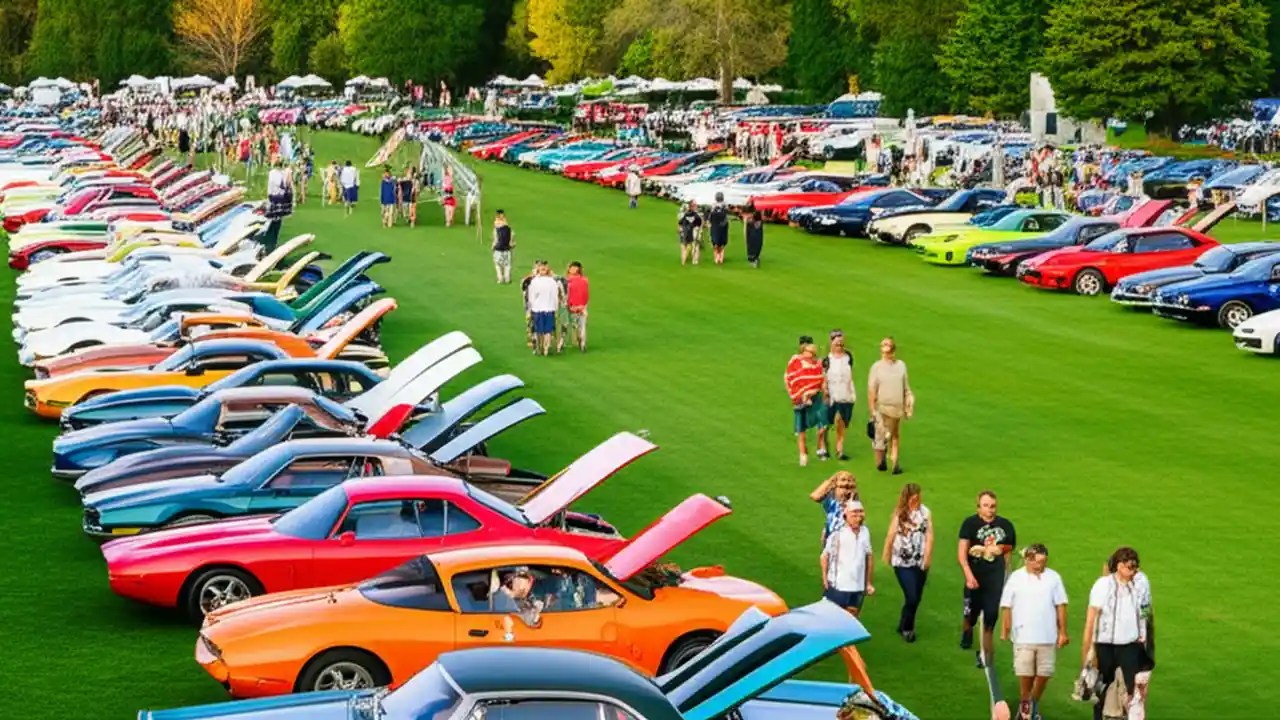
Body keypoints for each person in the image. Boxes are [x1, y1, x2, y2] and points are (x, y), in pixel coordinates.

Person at [1000, 544, 1069, 720]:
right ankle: (1026, 708)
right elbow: (1007, 605)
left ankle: (1032, 703)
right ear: (1028, 560)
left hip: (1047, 636)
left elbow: (1060, 605)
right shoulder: (1016, 578)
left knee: (1044, 674)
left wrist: (1063, 632)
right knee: (1025, 674)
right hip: (1023, 635)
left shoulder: (1053, 578)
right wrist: (1005, 629)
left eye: (1043, 562)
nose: (1040, 566)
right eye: (1037, 562)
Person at [1081, 547, 1148, 720]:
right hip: (1105, 646)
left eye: (1136, 567)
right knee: (1102, 689)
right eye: (1130, 567)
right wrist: (1087, 653)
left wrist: (1145, 641)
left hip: (1131, 646)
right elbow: (1090, 621)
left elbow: (1145, 611)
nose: (1134, 571)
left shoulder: (1142, 583)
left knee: (1128, 693)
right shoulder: (1103, 585)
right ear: (1119, 566)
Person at [959, 490, 1017, 670]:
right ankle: (967, 630)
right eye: (986, 506)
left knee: (991, 616)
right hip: (975, 576)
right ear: (978, 507)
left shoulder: (1005, 525)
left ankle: (984, 653)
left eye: (992, 506)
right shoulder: (970, 524)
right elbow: (962, 552)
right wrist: (968, 574)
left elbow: (1009, 551)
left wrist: (1007, 576)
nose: (990, 510)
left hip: (995, 577)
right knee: (971, 614)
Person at [883, 482, 932, 643]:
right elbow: (890, 535)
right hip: (902, 562)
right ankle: (907, 628)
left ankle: (903, 622)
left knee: (917, 597)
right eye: (913, 497)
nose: (916, 500)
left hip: (919, 561)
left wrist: (927, 557)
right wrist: (887, 554)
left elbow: (929, 535)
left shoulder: (925, 512)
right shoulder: (900, 514)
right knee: (911, 596)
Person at [867, 337, 913, 474]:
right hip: (881, 407)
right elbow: (871, 390)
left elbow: (905, 386)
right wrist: (872, 410)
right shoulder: (877, 367)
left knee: (894, 434)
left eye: (887, 343)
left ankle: (895, 463)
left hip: (896, 407)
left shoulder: (901, 366)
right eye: (883, 344)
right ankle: (881, 462)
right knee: (880, 436)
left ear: (893, 347)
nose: (885, 346)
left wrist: (908, 402)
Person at [821, 499, 874, 616]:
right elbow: (825, 556)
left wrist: (868, 582)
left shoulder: (865, 532)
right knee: (833, 618)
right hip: (839, 586)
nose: (858, 516)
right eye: (854, 513)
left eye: (860, 512)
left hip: (858, 587)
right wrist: (825, 579)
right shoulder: (838, 533)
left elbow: (869, 556)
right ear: (846, 515)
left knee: (853, 620)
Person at [785, 342, 829, 466]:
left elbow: (821, 379)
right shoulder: (796, 362)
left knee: (823, 424)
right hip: (800, 400)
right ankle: (803, 454)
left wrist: (820, 389)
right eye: (810, 351)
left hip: (815, 398)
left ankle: (820, 447)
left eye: (813, 352)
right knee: (801, 429)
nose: (812, 353)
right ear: (803, 351)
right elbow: (791, 378)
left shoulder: (817, 365)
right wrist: (800, 394)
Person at [823, 330, 856, 461]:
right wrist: (825, 391)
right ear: (831, 342)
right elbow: (823, 377)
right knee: (827, 423)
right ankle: (824, 447)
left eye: (841, 342)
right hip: (832, 394)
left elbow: (850, 374)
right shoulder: (827, 360)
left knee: (842, 422)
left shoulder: (848, 357)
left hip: (846, 394)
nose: (840, 345)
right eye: (837, 342)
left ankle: (839, 449)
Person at [811, 471, 859, 545]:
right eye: (843, 480)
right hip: (830, 535)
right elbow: (815, 496)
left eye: (849, 481)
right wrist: (830, 481)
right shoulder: (831, 500)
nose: (846, 483)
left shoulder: (854, 501)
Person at [525, 262, 560, 356]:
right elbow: (555, 296)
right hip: (548, 308)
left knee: (540, 330)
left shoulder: (535, 281)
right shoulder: (552, 281)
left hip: (538, 309)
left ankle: (541, 347)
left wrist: (530, 307)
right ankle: (545, 348)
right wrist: (556, 307)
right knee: (547, 330)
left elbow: (531, 295)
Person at [262, 158, 293, 252]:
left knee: (276, 223)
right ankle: (268, 245)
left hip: (277, 199)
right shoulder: (275, 173)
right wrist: (287, 175)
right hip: (276, 199)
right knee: (273, 223)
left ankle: (271, 244)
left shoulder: (276, 173)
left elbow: (286, 185)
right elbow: (283, 185)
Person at [565, 261, 589, 352]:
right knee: (578, 325)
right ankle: (580, 341)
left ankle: (582, 343)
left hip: (578, 306)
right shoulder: (568, 280)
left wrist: (581, 306)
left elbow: (585, 294)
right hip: (575, 306)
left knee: (580, 325)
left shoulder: (581, 281)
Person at [706, 192, 730, 265]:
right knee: (717, 243)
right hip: (717, 226)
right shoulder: (714, 206)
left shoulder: (723, 206)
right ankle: (718, 257)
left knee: (719, 243)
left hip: (720, 226)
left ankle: (719, 257)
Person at [492, 210, 515, 284]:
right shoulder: (509, 229)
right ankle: (507, 279)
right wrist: (512, 245)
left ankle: (500, 278)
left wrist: (493, 247)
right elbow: (512, 241)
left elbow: (495, 240)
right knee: (507, 265)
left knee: (498, 265)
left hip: (498, 250)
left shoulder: (496, 228)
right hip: (507, 250)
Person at [677, 201, 703, 265]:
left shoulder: (685, 214)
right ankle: (694, 261)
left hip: (686, 232)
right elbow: (700, 224)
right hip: (694, 231)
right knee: (695, 246)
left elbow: (680, 222)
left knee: (685, 246)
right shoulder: (697, 214)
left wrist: (680, 229)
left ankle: (684, 262)